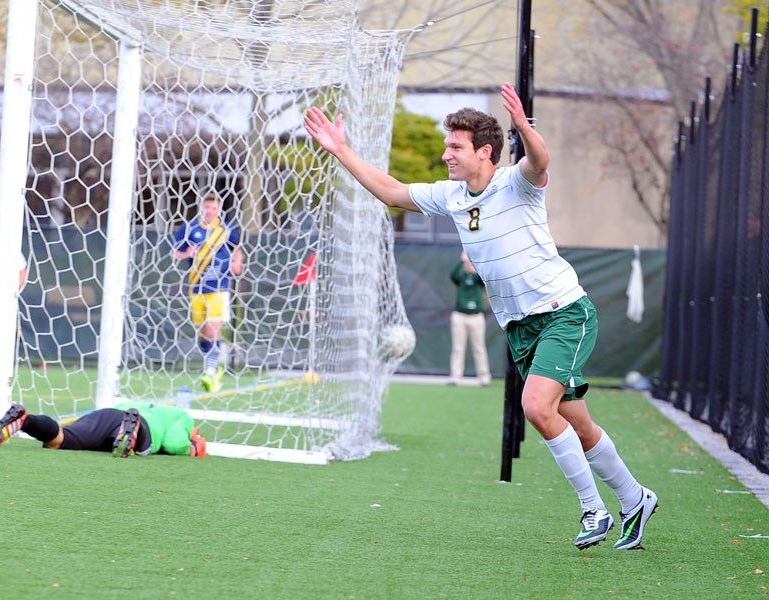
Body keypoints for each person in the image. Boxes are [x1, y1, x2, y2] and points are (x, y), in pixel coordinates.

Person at [304, 84, 657, 551]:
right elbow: (390, 191)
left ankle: (593, 509)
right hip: (520, 328)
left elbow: (541, 160)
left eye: (455, 146)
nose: (445, 153)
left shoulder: (516, 182)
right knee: (579, 425)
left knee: (536, 408)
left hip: (563, 314)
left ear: (484, 151)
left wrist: (524, 126)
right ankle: (635, 498)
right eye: (447, 145)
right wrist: (341, 149)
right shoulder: (450, 196)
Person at [172, 192, 243, 393]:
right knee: (203, 333)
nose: (210, 211)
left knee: (213, 328)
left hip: (219, 286)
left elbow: (237, 248)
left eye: (214, 208)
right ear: (202, 208)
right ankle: (211, 363)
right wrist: (186, 253)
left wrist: (237, 263)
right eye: (207, 207)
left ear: (219, 209)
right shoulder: (190, 228)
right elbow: (175, 252)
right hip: (196, 287)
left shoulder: (226, 230)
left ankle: (211, 371)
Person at [0, 400, 207, 458]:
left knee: (59, 439)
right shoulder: (182, 416)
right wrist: (193, 448)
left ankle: (26, 420)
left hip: (106, 414)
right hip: (139, 424)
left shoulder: (140, 404)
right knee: (144, 443)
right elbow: (174, 443)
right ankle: (133, 429)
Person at [449, 250, 491, 386]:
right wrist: (462, 259)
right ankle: (456, 377)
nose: (469, 265)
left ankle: (484, 377)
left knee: (479, 348)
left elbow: (485, 276)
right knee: (458, 348)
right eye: (467, 263)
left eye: (470, 263)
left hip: (476, 317)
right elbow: (453, 274)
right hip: (459, 316)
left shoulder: (478, 280)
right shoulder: (461, 278)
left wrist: (476, 260)